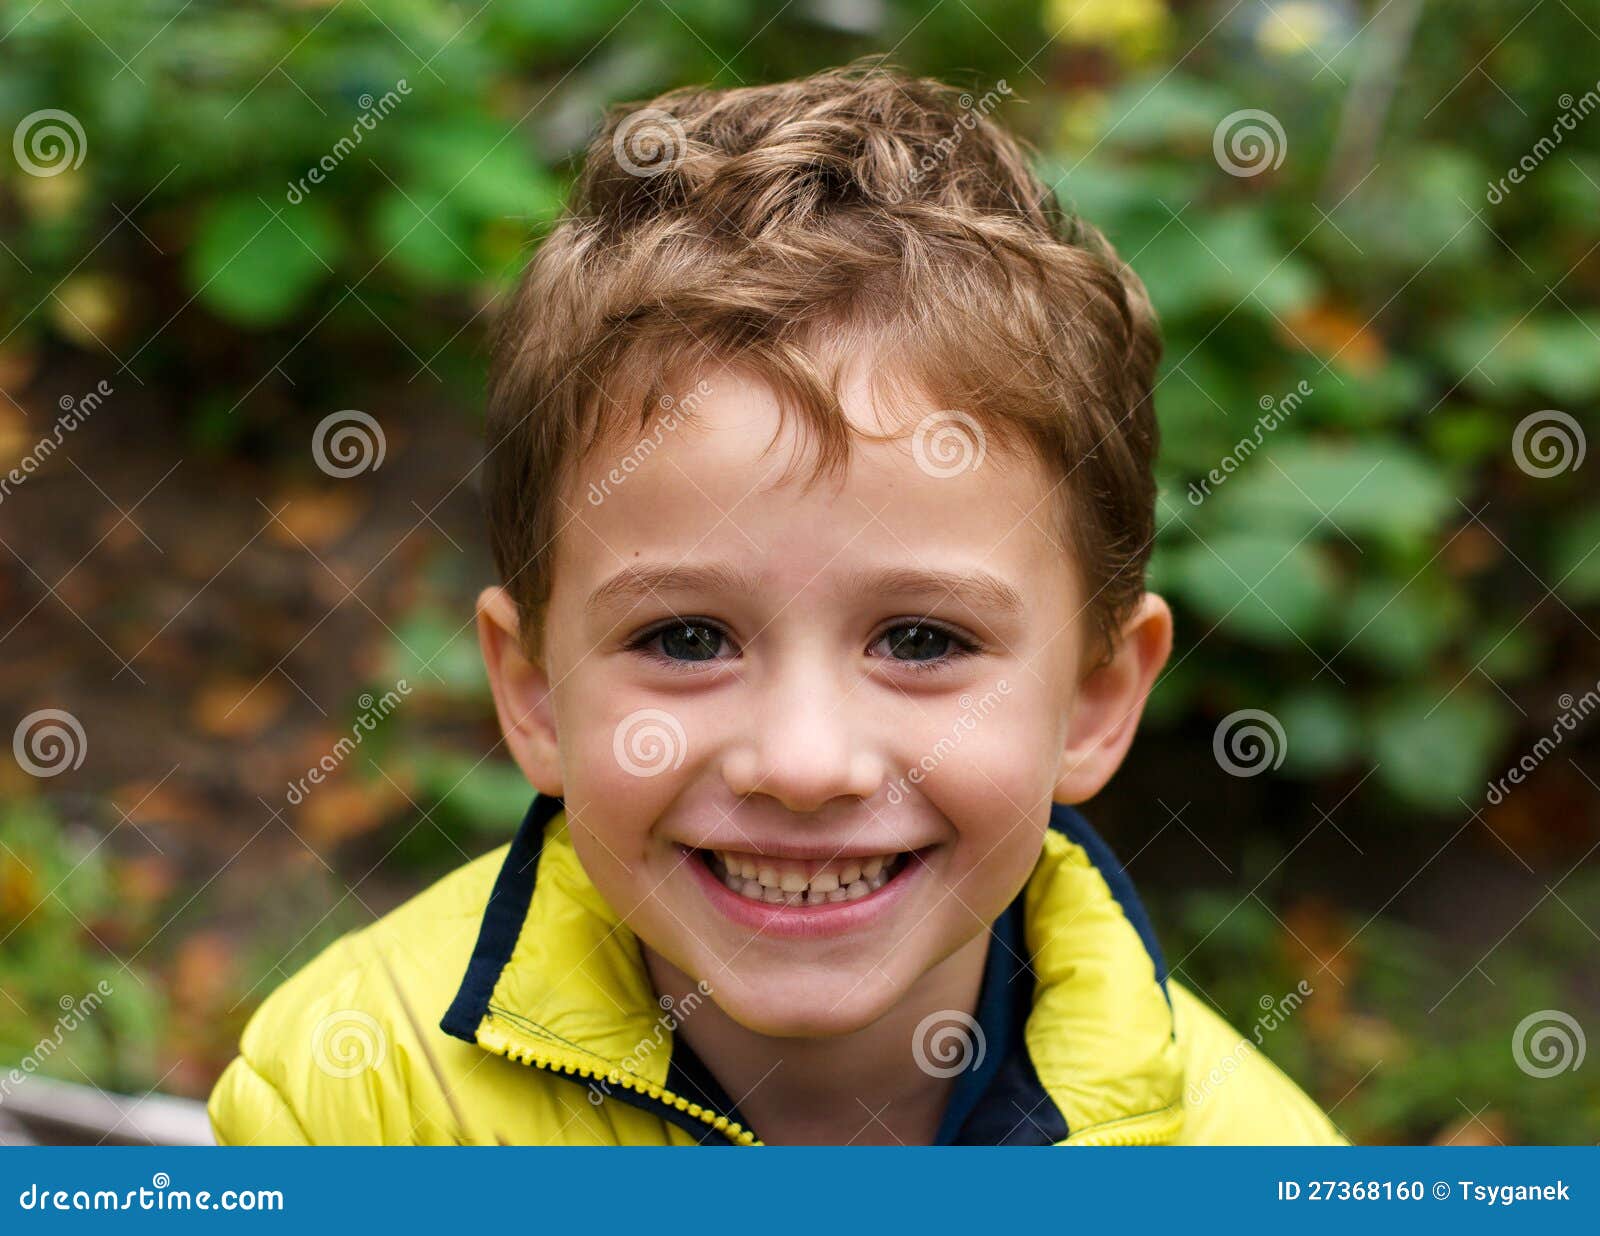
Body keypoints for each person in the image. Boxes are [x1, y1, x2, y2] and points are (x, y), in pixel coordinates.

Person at [208, 59, 1345, 1146]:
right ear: (533, 690)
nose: (803, 765)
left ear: (1097, 698)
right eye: (686, 637)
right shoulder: (354, 1103)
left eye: (920, 639)